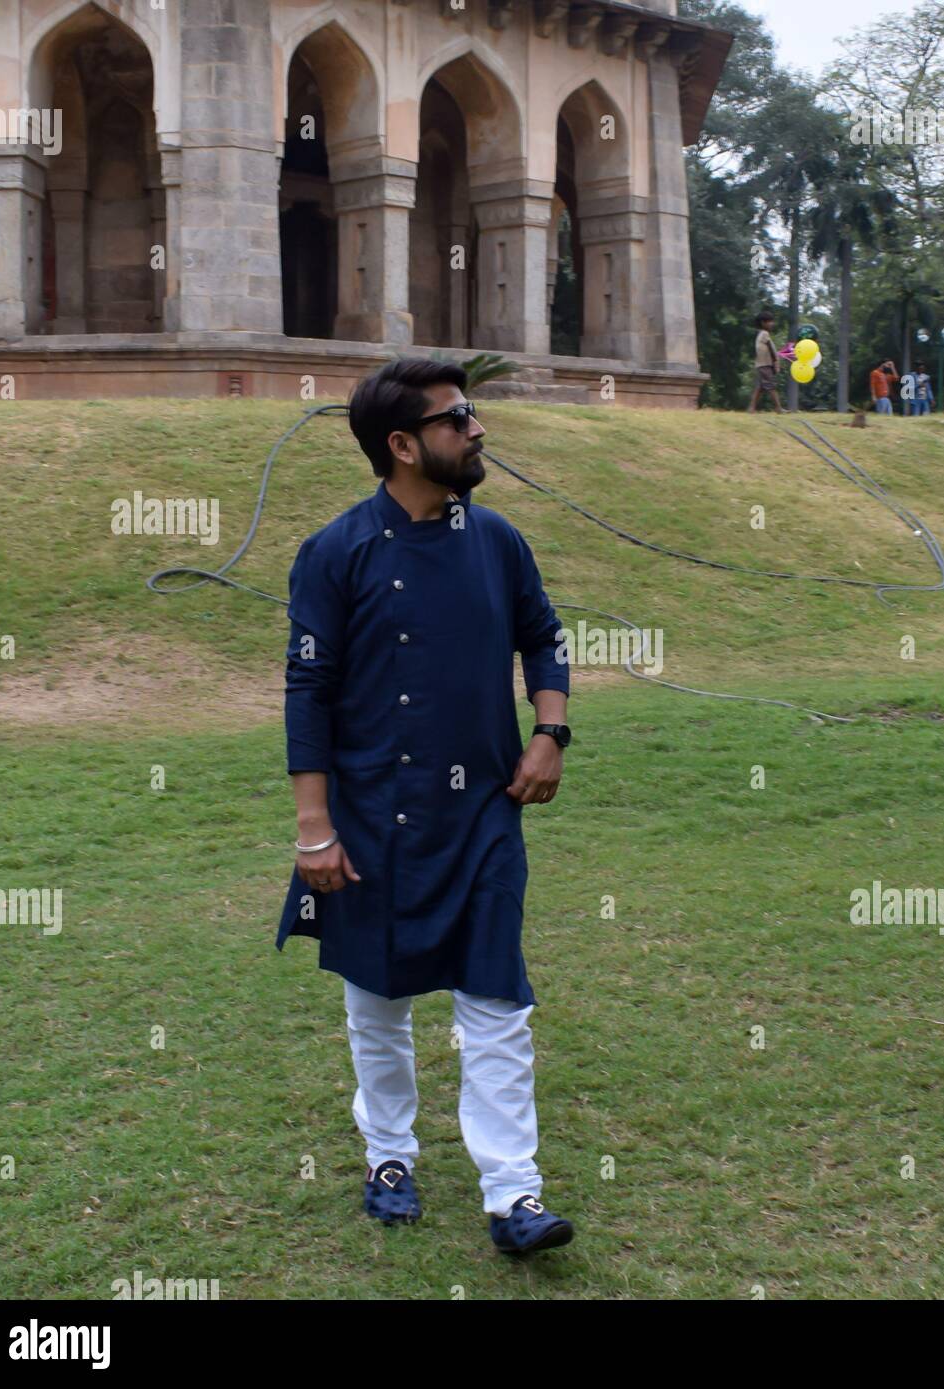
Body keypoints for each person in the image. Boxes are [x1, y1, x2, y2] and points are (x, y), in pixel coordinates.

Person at [276, 357, 576, 1255]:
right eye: (457, 420)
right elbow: (307, 691)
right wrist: (314, 828)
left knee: (496, 999)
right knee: (378, 1002)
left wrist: (550, 732)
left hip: (483, 811)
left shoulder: (499, 541)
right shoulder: (336, 552)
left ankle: (513, 1194)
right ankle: (389, 1156)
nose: (477, 429)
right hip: (370, 816)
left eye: (471, 413)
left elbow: (545, 636)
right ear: (403, 446)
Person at [748, 311, 788, 413]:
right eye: (770, 321)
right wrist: (776, 362)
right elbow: (771, 349)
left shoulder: (760, 334)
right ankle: (778, 407)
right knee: (771, 386)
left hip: (761, 364)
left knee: (760, 388)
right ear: (763, 323)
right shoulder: (765, 334)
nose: (772, 324)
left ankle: (751, 408)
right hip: (765, 365)